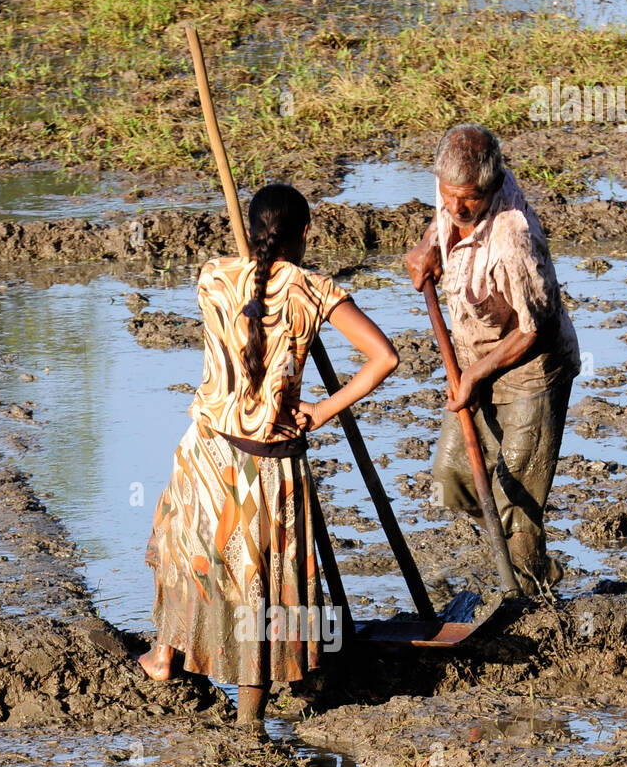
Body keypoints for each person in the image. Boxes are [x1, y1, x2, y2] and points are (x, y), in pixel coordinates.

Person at [138, 182, 399, 725]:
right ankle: (249, 720)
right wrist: (323, 410)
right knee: (260, 590)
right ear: (306, 234)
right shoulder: (315, 290)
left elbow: (250, 300)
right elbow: (384, 358)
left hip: (208, 453)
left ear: (253, 232)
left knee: (186, 553)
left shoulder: (212, 276)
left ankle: (166, 653)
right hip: (269, 466)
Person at [405, 123, 580, 593]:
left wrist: (476, 374)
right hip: (473, 359)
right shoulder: (453, 191)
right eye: (449, 197)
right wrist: (428, 246)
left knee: (515, 505)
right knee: (451, 478)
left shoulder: (512, 237)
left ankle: (530, 598)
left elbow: (534, 328)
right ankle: (529, 567)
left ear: (494, 185)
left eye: (469, 200)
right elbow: (443, 219)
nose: (457, 209)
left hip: (530, 371)